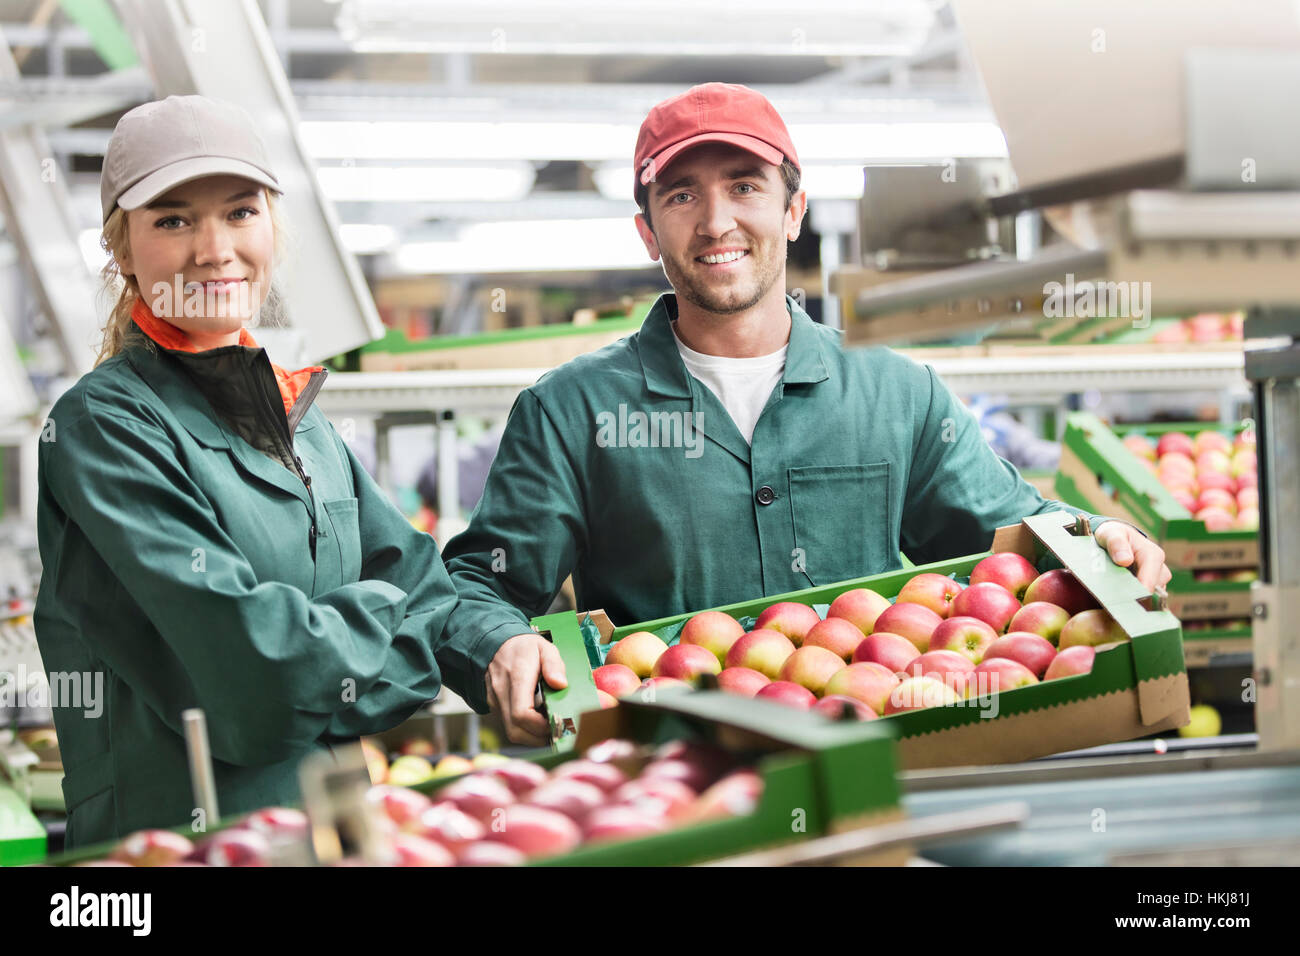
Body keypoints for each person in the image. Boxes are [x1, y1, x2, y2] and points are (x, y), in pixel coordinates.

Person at [441, 82, 1171, 747]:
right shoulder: (569, 413)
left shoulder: (895, 391)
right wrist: (497, 644)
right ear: (648, 231)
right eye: (682, 196)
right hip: (679, 778)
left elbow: (1012, 529)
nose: (716, 221)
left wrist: (1094, 534)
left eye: (745, 186)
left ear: (793, 212)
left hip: (884, 770)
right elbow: (478, 587)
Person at [31, 96, 545, 848]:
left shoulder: (297, 417)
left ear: (272, 228)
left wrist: (477, 642)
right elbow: (260, 678)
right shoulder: (104, 427)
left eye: (240, 213)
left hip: (332, 831)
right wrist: (385, 617)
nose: (214, 249)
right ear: (121, 248)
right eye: (172, 220)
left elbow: (429, 593)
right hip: (180, 840)